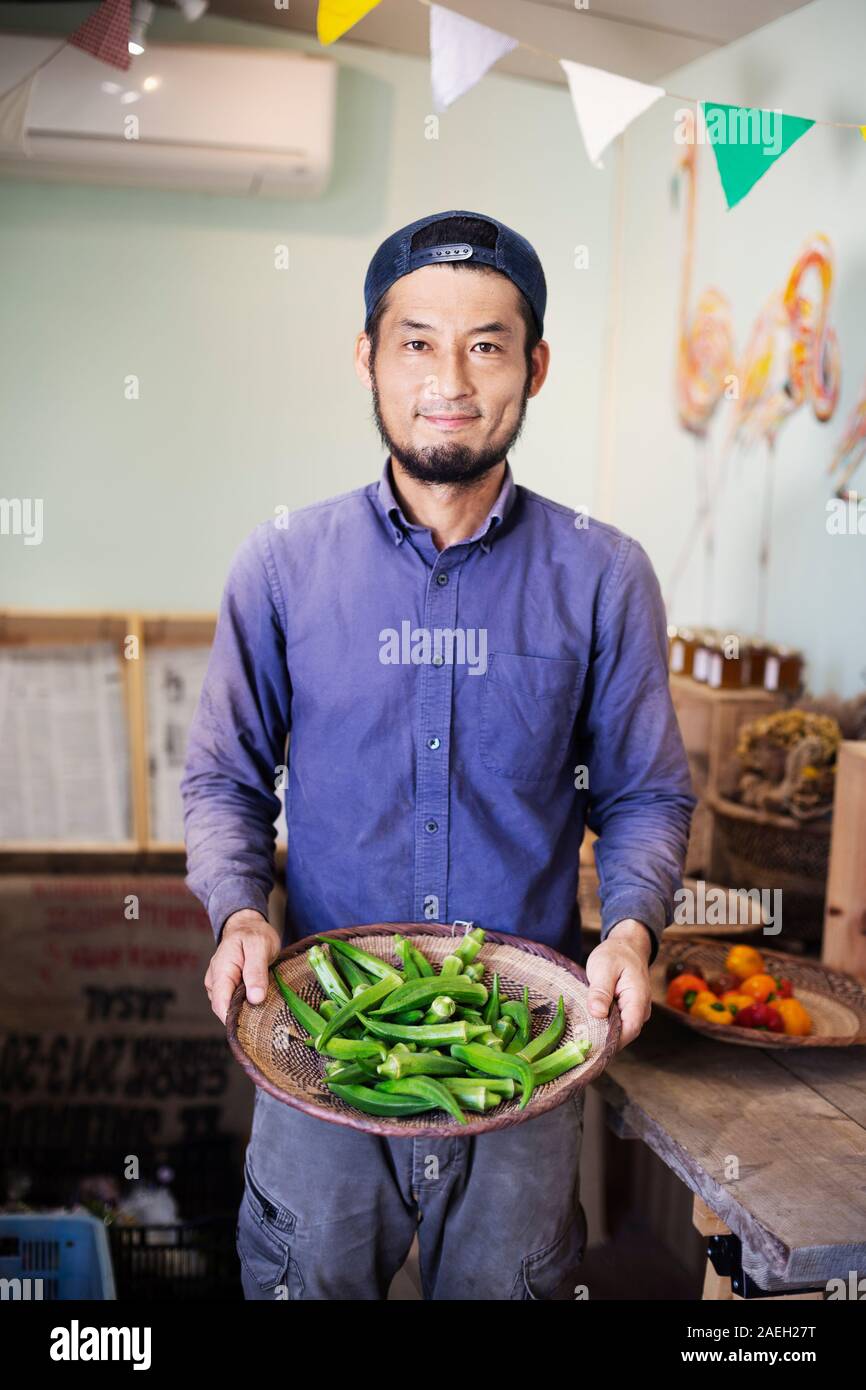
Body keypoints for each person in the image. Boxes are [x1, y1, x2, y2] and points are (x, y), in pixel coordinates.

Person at [180, 210, 697, 1301]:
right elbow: (225, 779)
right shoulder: (280, 565)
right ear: (365, 356)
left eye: (486, 344)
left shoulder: (604, 574)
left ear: (535, 365)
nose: (448, 377)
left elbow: (644, 792)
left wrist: (636, 930)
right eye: (415, 340)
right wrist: (237, 911)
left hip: (530, 1038)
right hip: (321, 1031)